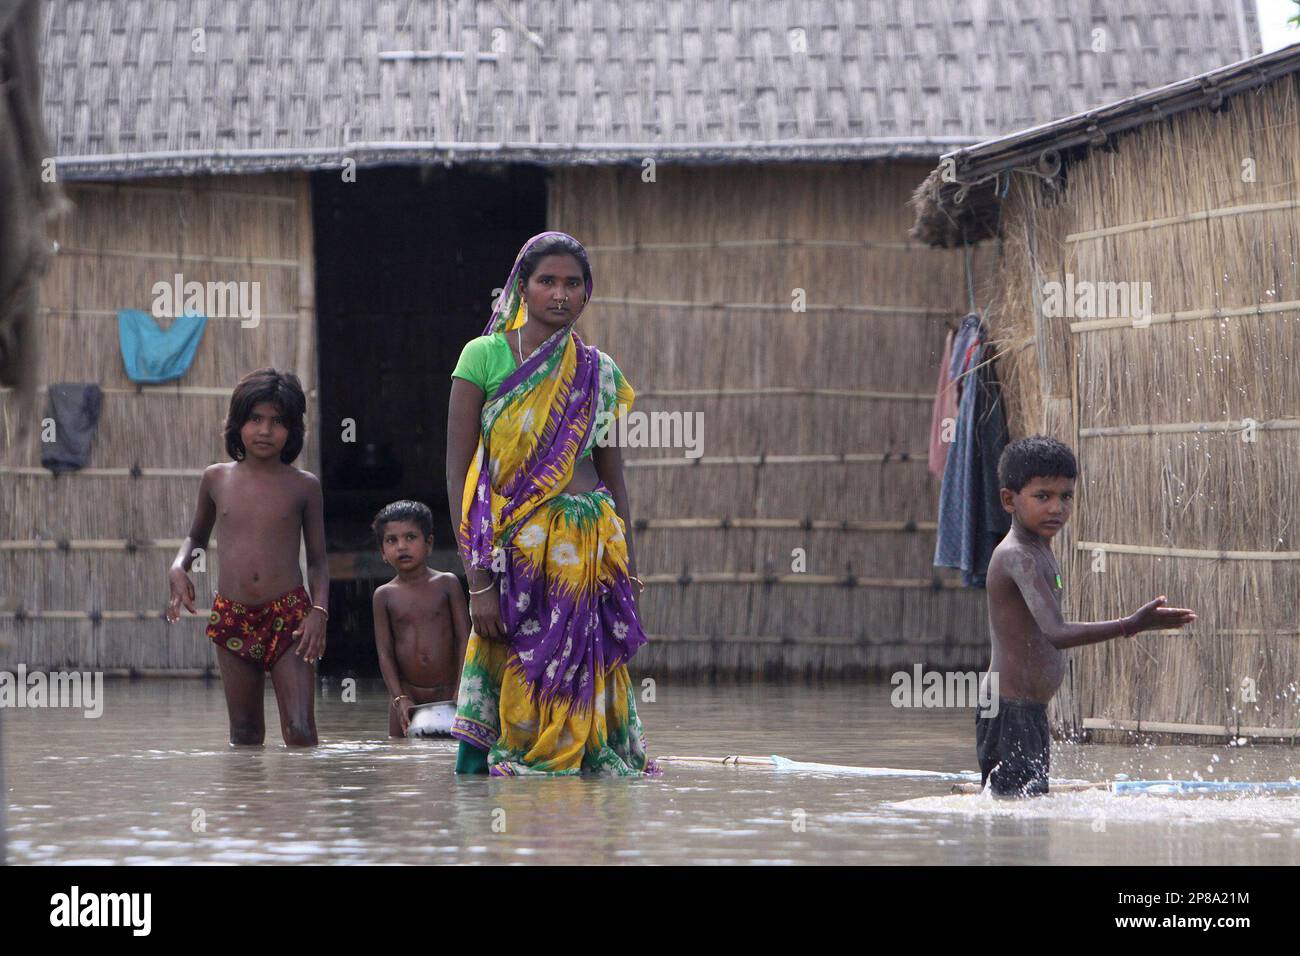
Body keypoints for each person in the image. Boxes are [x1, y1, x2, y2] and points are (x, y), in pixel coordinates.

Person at [445, 231, 657, 776]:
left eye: (573, 284)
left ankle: (581, 778)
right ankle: (517, 776)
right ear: (522, 287)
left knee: (586, 672)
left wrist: (628, 563)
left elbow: (612, 472)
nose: (559, 294)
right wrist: (478, 578)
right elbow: (461, 475)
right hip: (513, 553)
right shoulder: (483, 356)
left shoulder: (598, 370)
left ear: (587, 293)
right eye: (547, 281)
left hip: (589, 548)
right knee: (515, 661)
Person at [979, 435, 1196, 796]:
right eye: (1043, 496)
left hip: (1027, 710)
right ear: (1009, 500)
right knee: (1010, 813)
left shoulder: (1040, 550)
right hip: (1007, 712)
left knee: (1026, 811)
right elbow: (1056, 632)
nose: (1057, 508)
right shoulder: (1017, 555)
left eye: (1066, 497)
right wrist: (1131, 624)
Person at [166, 368, 328, 746]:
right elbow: (196, 537)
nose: (265, 431)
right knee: (245, 735)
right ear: (238, 424)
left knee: (302, 733)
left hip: (290, 619)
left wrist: (319, 613)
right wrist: (178, 566)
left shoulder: (304, 486)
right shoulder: (216, 479)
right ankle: (248, 804)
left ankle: (303, 803)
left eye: (277, 422)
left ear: (293, 431)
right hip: (233, 616)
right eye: (255, 419)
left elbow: (319, 561)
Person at [371, 500, 470, 736]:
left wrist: (461, 690)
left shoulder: (447, 584)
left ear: (429, 543)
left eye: (410, 537)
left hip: (450, 690)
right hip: (407, 693)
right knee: (400, 758)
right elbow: (384, 652)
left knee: (452, 755)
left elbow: (464, 639)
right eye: (391, 540)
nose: (401, 546)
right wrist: (398, 697)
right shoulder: (384, 595)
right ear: (383, 552)